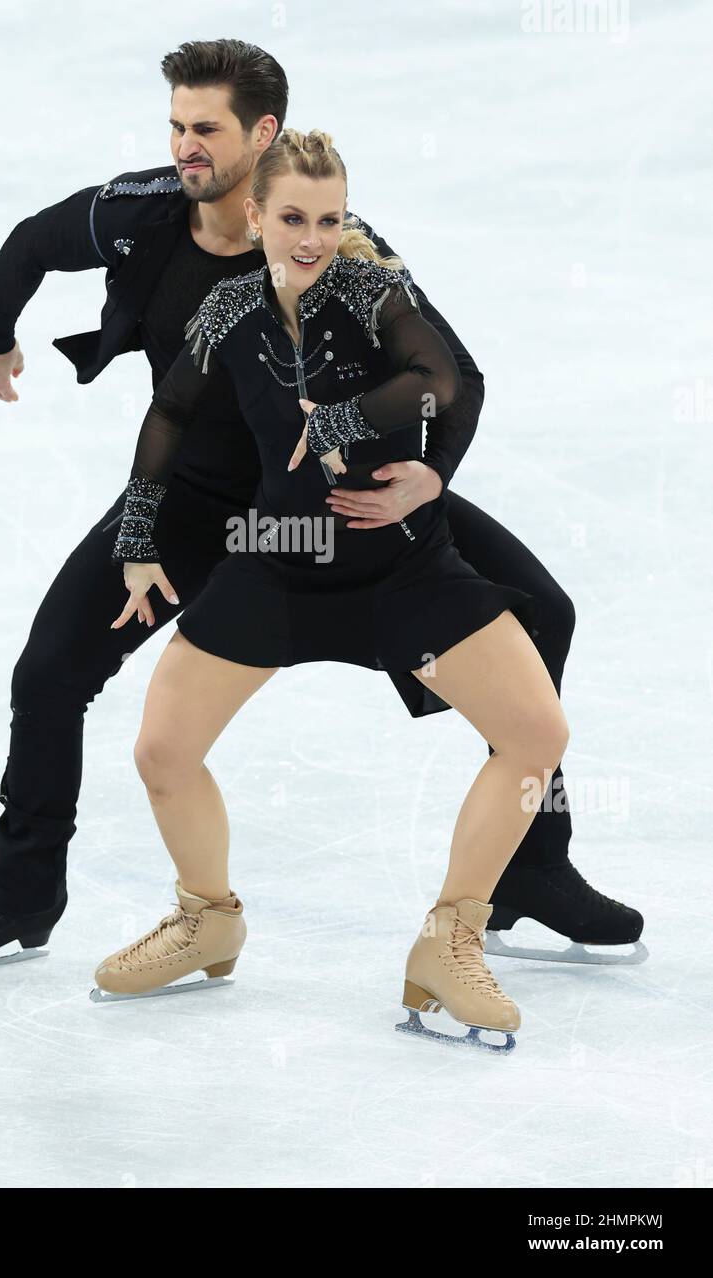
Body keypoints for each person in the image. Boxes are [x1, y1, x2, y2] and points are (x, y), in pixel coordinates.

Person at [0, 39, 642, 981]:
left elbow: (455, 376)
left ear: (264, 135)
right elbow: (31, 245)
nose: (184, 148)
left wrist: (432, 478)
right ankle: (23, 886)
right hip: (196, 501)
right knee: (50, 668)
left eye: (205, 129)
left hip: (331, 499)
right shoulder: (141, 214)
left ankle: (530, 868)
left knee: (545, 613)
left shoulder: (340, 245)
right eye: (175, 125)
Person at [91, 127, 573, 1049]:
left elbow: (442, 378)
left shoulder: (370, 287)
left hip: (399, 567)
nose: (312, 237)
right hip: (278, 557)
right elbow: (170, 413)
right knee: (161, 750)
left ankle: (449, 939)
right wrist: (140, 537)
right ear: (255, 215)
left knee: (536, 734)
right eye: (292, 218)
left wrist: (372, 435)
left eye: (329, 217)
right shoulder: (228, 311)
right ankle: (208, 918)